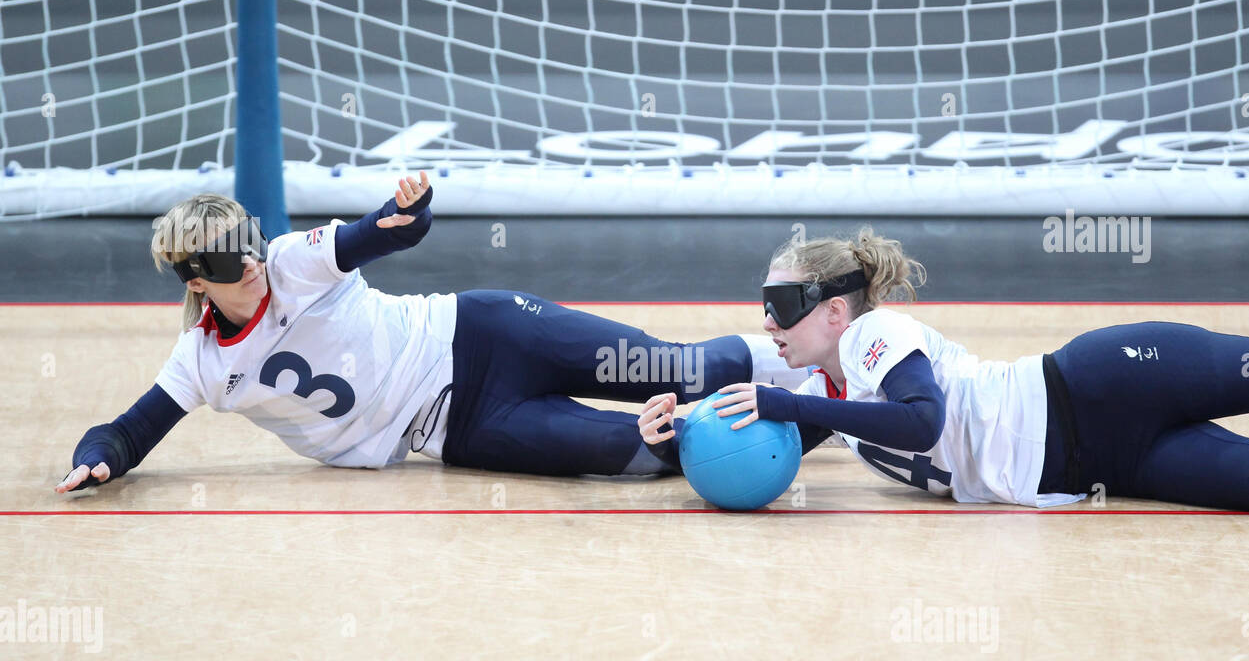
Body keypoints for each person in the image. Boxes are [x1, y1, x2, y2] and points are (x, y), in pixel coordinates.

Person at [55, 172, 805, 493]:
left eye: (247, 237)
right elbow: (126, 433)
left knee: (672, 367)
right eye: (227, 255)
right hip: (460, 428)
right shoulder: (201, 364)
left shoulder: (291, 263)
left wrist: (407, 206)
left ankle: (820, 366)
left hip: (485, 332)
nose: (249, 258)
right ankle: (809, 425)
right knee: (639, 455)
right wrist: (98, 461)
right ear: (196, 281)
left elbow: (386, 233)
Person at [638, 227, 1249, 512]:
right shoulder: (832, 396)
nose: (767, 323)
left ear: (836, 311)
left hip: (1105, 384)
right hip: (1100, 464)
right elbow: (759, 444)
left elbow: (922, 422)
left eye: (781, 305)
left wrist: (792, 405)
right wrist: (680, 434)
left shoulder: (876, 334)